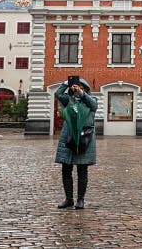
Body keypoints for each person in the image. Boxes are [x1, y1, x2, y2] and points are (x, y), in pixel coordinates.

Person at [55, 79, 97, 210]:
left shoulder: (91, 100)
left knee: (82, 170)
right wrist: (66, 83)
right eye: (75, 87)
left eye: (80, 87)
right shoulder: (68, 100)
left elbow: (94, 105)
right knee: (66, 170)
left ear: (85, 89)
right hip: (68, 138)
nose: (77, 89)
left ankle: (80, 200)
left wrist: (81, 93)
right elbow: (57, 94)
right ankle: (68, 199)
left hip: (84, 138)